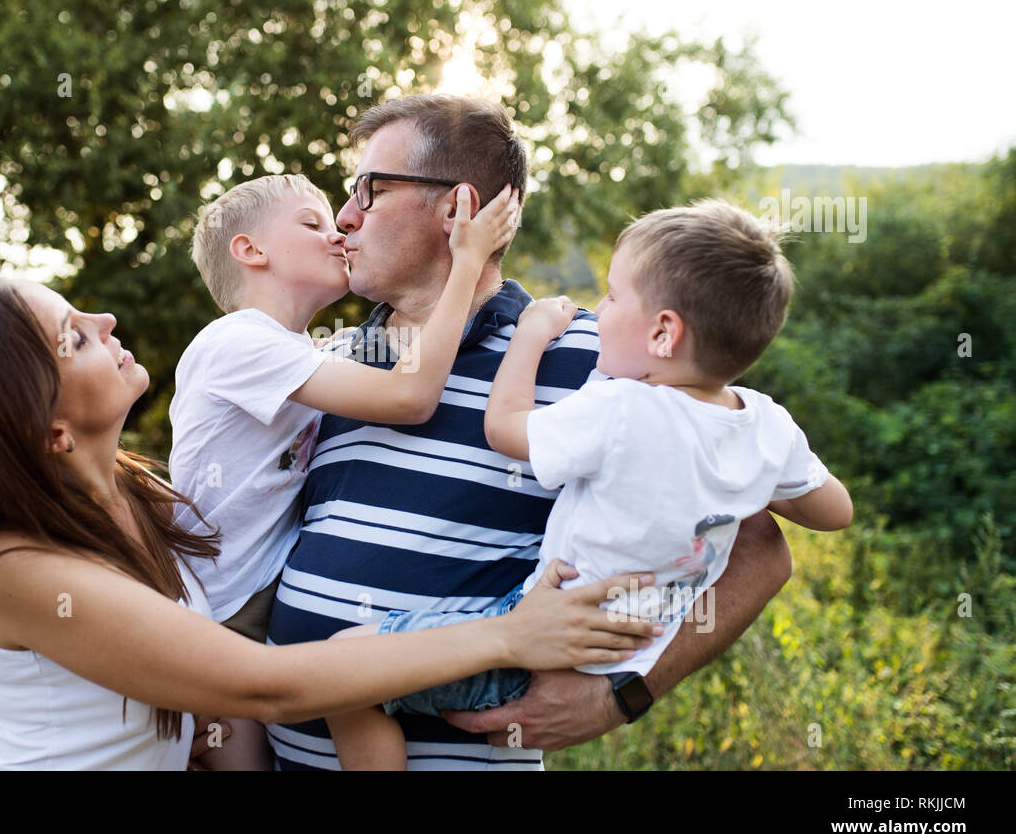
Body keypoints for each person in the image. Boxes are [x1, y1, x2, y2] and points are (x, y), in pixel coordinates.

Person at [0, 277, 662, 770]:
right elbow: (261, 684)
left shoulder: (142, 496)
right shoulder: (13, 567)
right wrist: (512, 637)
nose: (106, 323)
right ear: (48, 429)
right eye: (73, 337)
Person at [264, 93, 796, 771]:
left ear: (456, 208)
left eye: (370, 188)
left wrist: (622, 695)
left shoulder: (599, 362)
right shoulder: (330, 364)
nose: (346, 216)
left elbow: (760, 548)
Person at [326, 200, 854, 769]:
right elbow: (834, 511)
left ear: (662, 333)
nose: (595, 309)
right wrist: (731, 469)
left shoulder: (621, 406)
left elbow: (504, 430)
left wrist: (531, 334)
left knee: (342, 669)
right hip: (623, 654)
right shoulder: (767, 424)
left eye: (611, 295)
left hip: (537, 648)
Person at [169, 172, 518, 768]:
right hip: (216, 620)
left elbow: (399, 354)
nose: (338, 234)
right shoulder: (237, 343)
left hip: (248, 607)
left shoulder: (310, 353)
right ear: (250, 251)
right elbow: (410, 397)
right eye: (312, 224)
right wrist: (465, 261)